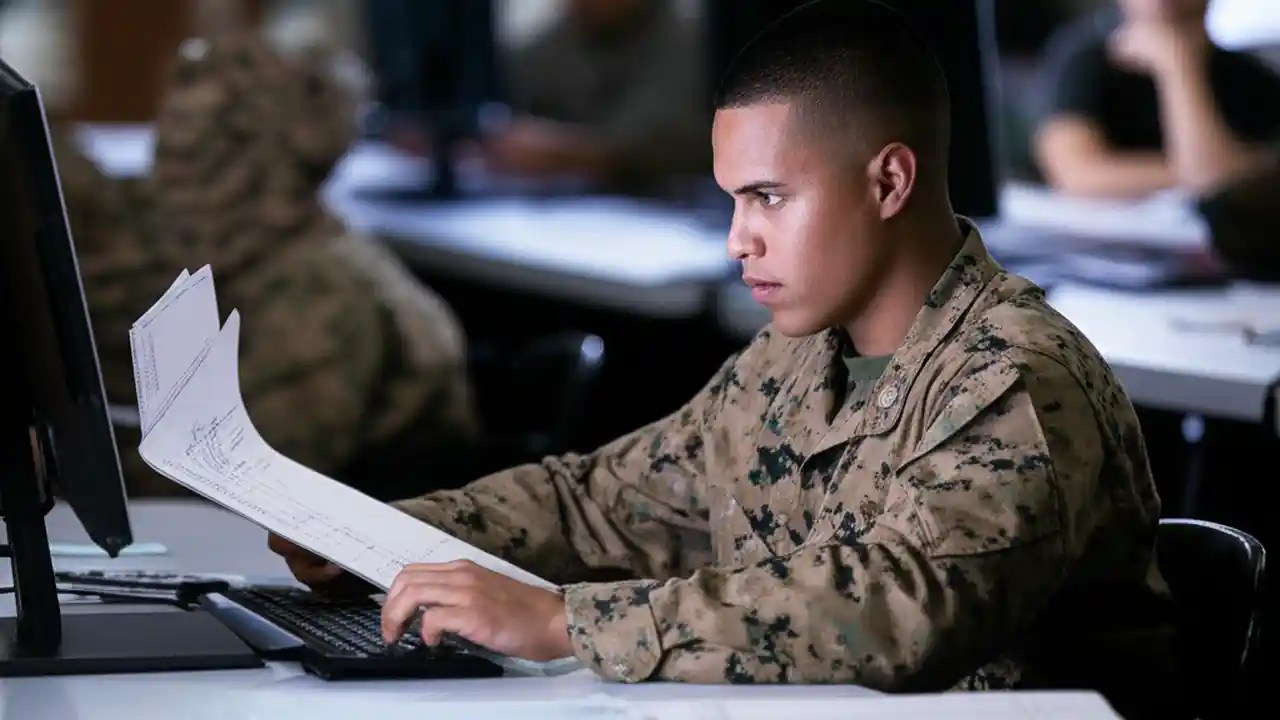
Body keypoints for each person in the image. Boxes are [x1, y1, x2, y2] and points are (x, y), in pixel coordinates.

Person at [271, 2, 1180, 715]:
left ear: (890, 182)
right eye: (734, 202)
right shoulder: (796, 356)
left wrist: (566, 622)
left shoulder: (1014, 378)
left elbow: (902, 611)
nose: (739, 239)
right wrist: (387, 541)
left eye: (770, 198)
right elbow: (610, 502)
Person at [64, 32, 480, 498]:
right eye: (170, 149)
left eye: (213, 150)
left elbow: (243, 477)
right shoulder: (228, 266)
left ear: (284, 161)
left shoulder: (330, 291)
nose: (168, 179)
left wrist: (61, 468)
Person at [1033, 0, 1280, 200]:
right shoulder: (1084, 58)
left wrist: (1177, 66)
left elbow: (1250, 179)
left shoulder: (1252, 77)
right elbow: (1076, 173)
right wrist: (1204, 171)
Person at [482, 0, 710, 192]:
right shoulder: (568, 34)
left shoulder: (683, 38)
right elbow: (511, 87)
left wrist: (562, 153)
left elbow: (648, 142)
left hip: (664, 212)